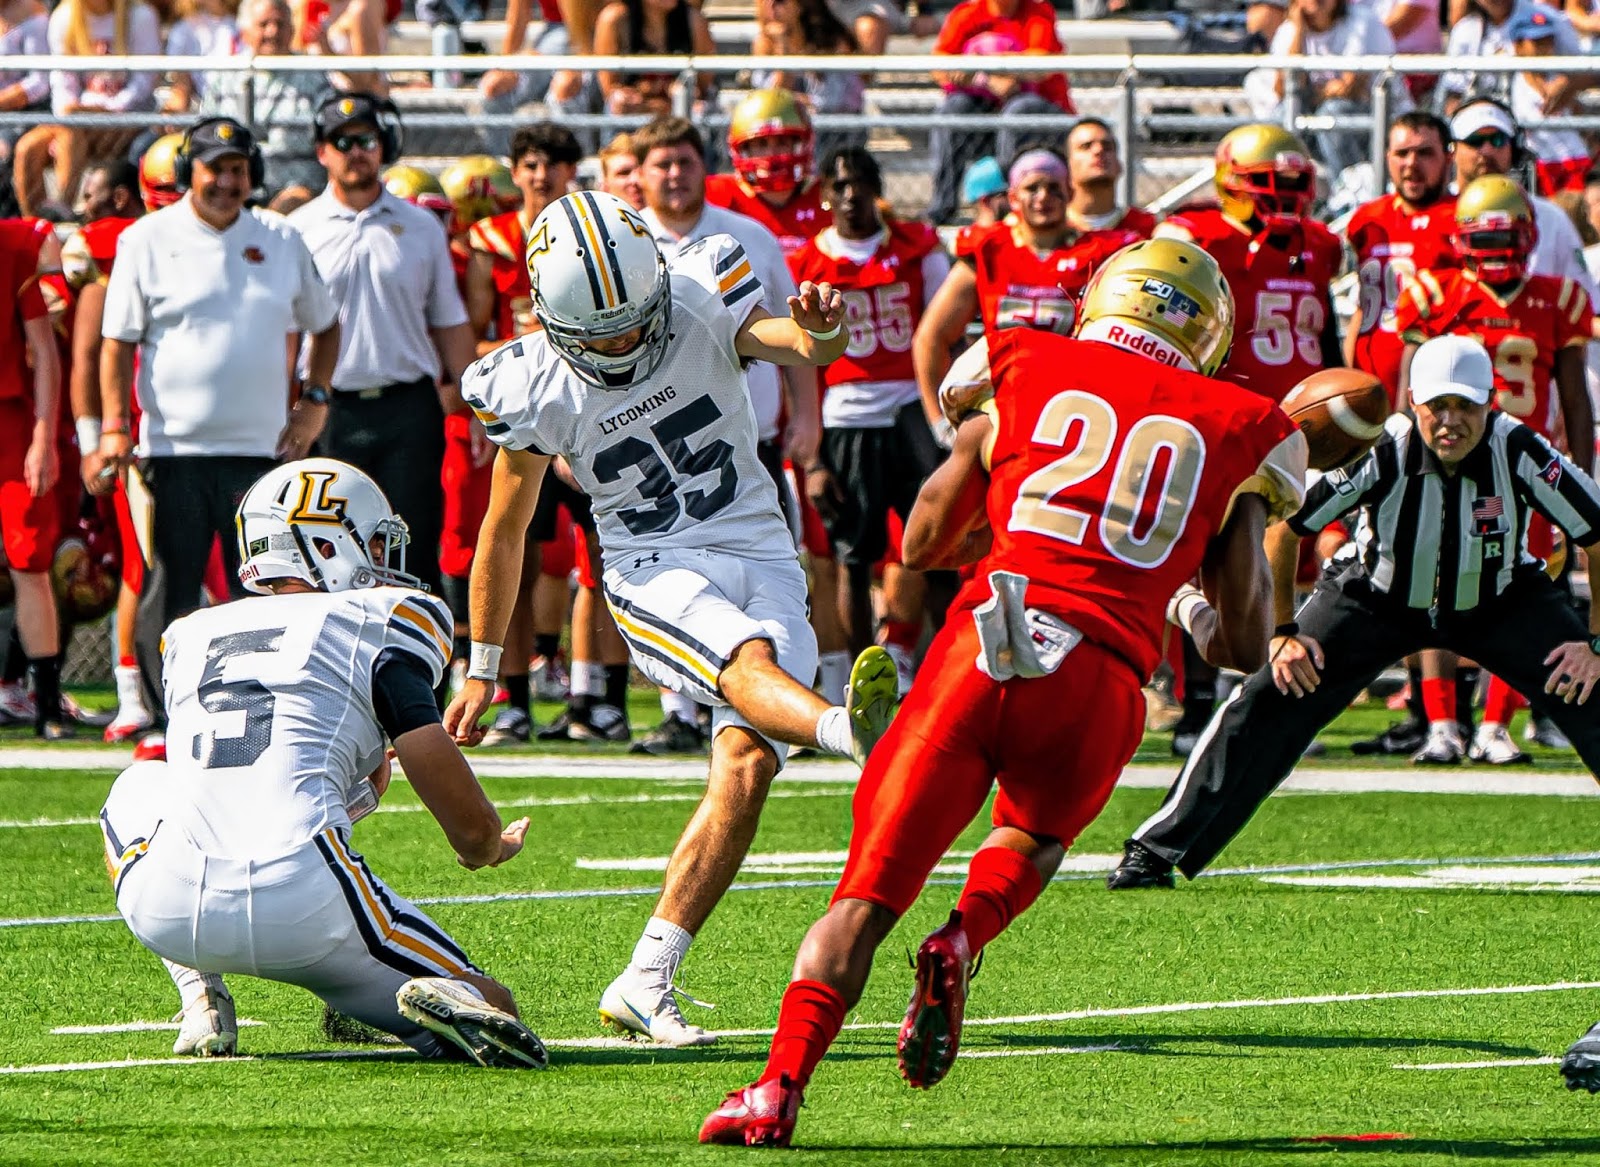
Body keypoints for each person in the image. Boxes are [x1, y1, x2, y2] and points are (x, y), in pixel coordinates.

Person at [700, 238, 1310, 1146]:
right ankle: (964, 936)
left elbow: (925, 541)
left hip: (982, 645)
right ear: (1209, 334)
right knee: (1031, 834)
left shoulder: (1024, 356)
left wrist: (1013, 513)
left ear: (1104, 298)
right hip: (1101, 676)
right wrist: (1180, 586)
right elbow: (1246, 643)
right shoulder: (1245, 424)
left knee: (860, 901)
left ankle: (778, 1085)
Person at [446, 189, 901, 1047]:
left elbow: (798, 342)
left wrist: (825, 330)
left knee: (746, 765)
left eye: (633, 322)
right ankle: (856, 734)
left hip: (760, 542)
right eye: (601, 334)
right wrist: (480, 663)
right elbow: (502, 531)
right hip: (653, 567)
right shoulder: (532, 381)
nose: (623, 343)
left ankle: (645, 978)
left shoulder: (698, 288)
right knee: (747, 662)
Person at [1108, 334, 1600, 893]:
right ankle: (1153, 850)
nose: (1451, 421)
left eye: (1466, 405)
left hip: (1501, 599)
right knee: (1270, 696)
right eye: (1438, 406)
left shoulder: (1521, 450)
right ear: (1412, 402)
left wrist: (1595, 644)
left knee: (1591, 690)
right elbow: (1285, 526)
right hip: (1376, 597)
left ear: (1492, 402)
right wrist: (1282, 632)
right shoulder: (1382, 448)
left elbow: (1599, 532)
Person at [100, 457, 547, 1068]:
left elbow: (226, 777)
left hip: (169, 908)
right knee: (497, 1009)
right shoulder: (382, 615)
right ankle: (406, 999)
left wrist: (357, 772)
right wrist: (485, 844)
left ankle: (201, 993)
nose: (385, 557)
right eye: (373, 539)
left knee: (138, 783)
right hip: (306, 896)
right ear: (327, 543)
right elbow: (430, 759)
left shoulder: (191, 632)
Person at [98, 117, 343, 728]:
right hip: (171, 448)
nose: (227, 182)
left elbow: (326, 322)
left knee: (256, 590)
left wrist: (315, 400)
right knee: (171, 588)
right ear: (189, 172)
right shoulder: (146, 239)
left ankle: (254, 715)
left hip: (259, 453)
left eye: (237, 170)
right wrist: (110, 428)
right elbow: (115, 344)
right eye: (215, 169)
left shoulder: (280, 238)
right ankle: (165, 717)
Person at [630, 115, 825, 754]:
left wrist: (807, 414)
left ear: (704, 168)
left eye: (685, 162)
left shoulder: (748, 236)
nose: (675, 175)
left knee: (773, 566)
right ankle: (680, 711)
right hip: (658, 441)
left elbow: (795, 330)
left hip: (747, 436)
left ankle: (773, 700)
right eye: (662, 164)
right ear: (641, 175)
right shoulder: (624, 244)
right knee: (676, 577)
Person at [1155, 123, 1344, 754]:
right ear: (1232, 187)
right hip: (1223, 422)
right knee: (1214, 563)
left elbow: (1329, 344)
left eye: (1296, 186)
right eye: (1271, 186)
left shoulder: (1318, 246)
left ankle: (1266, 698)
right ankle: (1198, 707)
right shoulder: (1195, 242)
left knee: (1280, 566)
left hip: (1291, 429)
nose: (1287, 199)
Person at [1393, 175, 1594, 763]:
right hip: (1444, 461)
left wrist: (1577, 475)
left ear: (1530, 237)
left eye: (1507, 238)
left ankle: (1495, 724)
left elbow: (1574, 394)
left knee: (1513, 590)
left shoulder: (1558, 297)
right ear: (1461, 241)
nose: (1498, 253)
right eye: (1485, 240)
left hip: (1522, 469)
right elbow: (1409, 389)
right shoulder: (1436, 294)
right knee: (1428, 584)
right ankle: (1441, 723)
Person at [289, 91, 477, 605]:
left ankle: (419, 681)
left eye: (366, 140)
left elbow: (450, 323)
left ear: (383, 145)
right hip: (328, 409)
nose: (356, 151)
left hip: (408, 408)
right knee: (328, 555)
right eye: (342, 141)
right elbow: (284, 331)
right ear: (322, 151)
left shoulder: (420, 227)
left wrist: (478, 409)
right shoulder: (296, 230)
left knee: (411, 551)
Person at [790, 146, 950, 658]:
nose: (851, 194)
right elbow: (798, 363)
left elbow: (945, 335)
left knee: (940, 550)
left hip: (913, 413)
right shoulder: (806, 263)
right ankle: (864, 677)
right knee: (852, 558)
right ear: (824, 194)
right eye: (840, 184)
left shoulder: (918, 248)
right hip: (847, 417)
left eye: (861, 182)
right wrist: (813, 459)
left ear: (877, 189)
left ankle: (947, 668)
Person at [1340, 110, 1459, 759]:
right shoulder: (1367, 219)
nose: (1411, 163)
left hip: (1434, 409)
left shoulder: (1460, 219)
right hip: (1378, 402)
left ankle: (1449, 711)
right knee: (1389, 551)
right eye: (1401, 152)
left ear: (1446, 157)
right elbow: (1364, 303)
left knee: (1432, 556)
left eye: (1424, 152)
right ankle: (1419, 707)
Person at [914, 144, 1154, 437]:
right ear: (1013, 196)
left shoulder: (1099, 252)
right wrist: (939, 420)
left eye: (1053, 187)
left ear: (1069, 192)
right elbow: (931, 337)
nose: (1044, 197)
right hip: (1001, 409)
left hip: (1074, 409)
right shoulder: (989, 250)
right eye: (1033, 188)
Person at [925, 0, 1075, 226]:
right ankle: (941, 210)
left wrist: (982, 63)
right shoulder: (968, 13)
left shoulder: (1037, 11)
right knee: (952, 109)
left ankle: (1009, 205)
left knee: (1018, 110)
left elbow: (1040, 65)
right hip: (987, 118)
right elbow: (939, 68)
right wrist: (986, 78)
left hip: (1043, 118)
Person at [1, 216, 64, 737]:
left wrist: (43, 436)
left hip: (10, 421)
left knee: (31, 560)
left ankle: (45, 705)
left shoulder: (15, 247)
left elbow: (45, 353)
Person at [1440, 0, 1589, 197]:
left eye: (1545, 41)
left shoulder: (1550, 18)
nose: (1540, 46)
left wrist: (1567, 83)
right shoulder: (1466, 30)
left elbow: (1588, 71)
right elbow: (1454, 94)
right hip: (1484, 135)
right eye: (1532, 42)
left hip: (1546, 145)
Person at [200, 0, 331, 207]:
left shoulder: (314, 76)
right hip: (231, 186)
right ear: (245, 31)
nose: (273, 32)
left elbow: (329, 136)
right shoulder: (225, 76)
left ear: (292, 30)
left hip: (298, 187)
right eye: (264, 24)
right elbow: (204, 134)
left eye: (280, 24)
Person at [706, 89, 828, 259]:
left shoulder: (827, 198)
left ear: (802, 143)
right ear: (743, 149)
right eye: (761, 144)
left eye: (782, 142)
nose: (772, 154)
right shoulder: (718, 195)